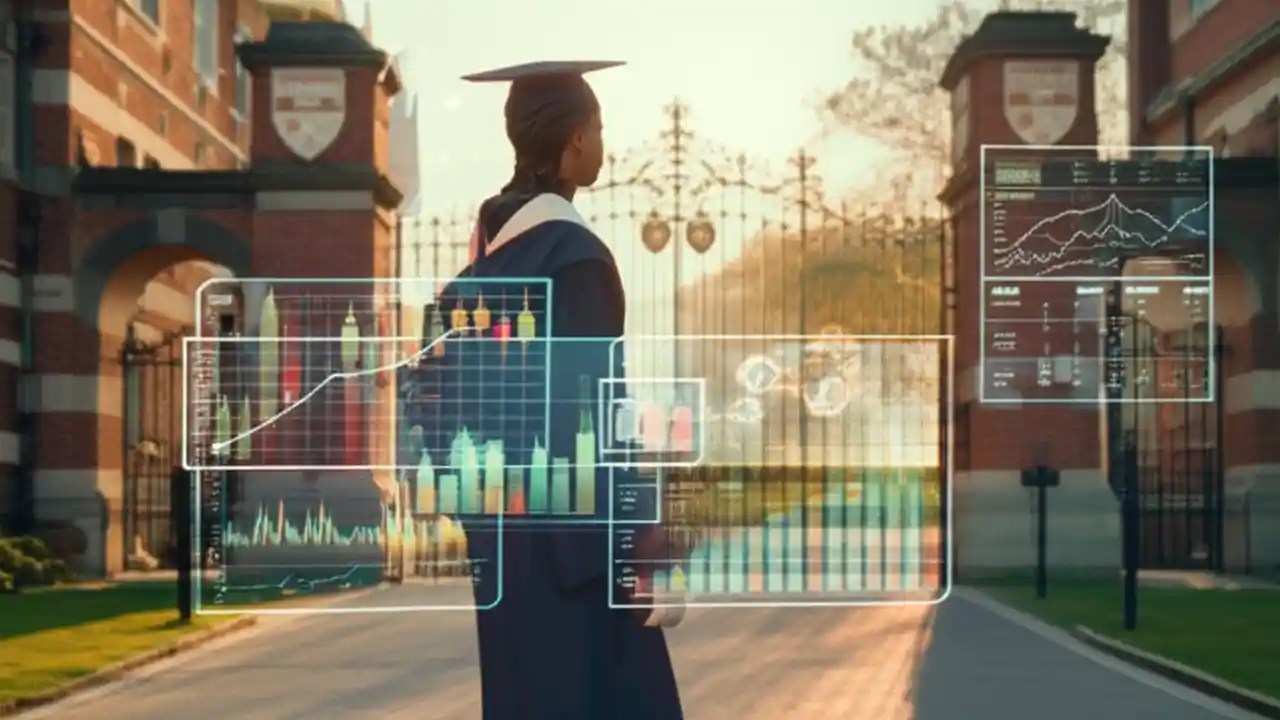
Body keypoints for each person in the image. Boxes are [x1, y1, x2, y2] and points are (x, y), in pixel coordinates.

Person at [439, 60, 684, 720]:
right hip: (577, 549)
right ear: (576, 140)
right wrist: (642, 535)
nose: (603, 142)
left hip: (505, 546)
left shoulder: (473, 276)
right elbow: (595, 412)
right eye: (598, 127)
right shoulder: (575, 260)